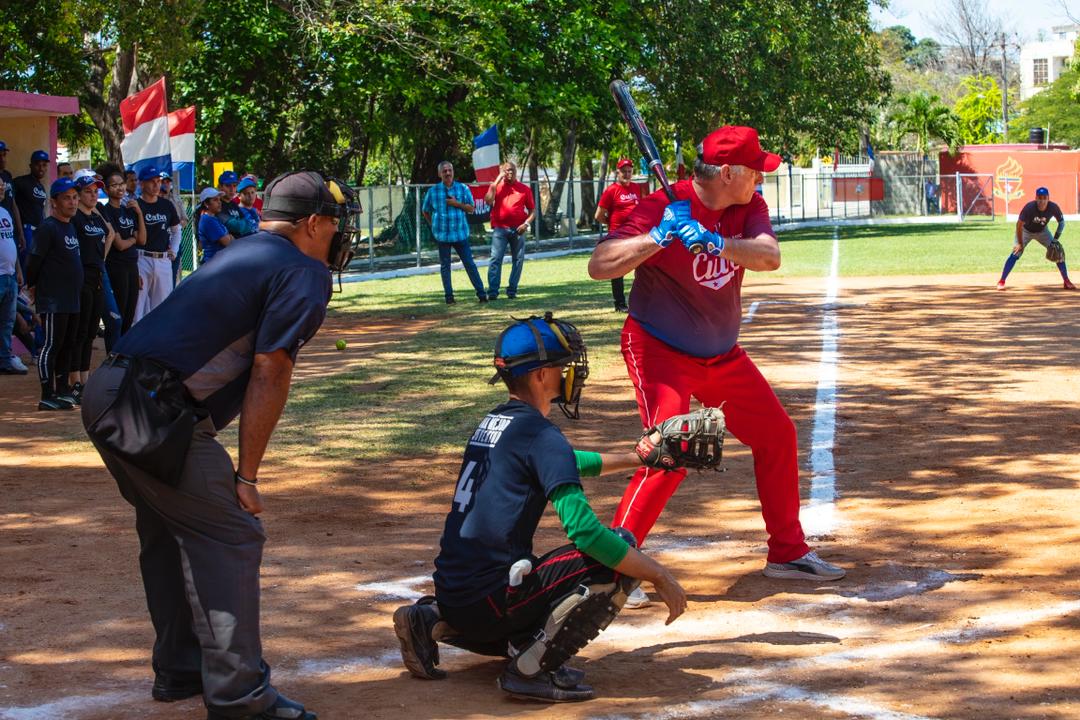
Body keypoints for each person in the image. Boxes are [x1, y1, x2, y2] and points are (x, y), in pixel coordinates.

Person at [80, 170, 361, 720]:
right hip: (151, 406)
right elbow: (270, 367)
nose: (338, 236)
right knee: (231, 533)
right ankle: (240, 697)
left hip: (113, 391)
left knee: (168, 530)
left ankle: (181, 668)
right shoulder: (303, 269)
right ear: (311, 225)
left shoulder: (250, 250)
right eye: (334, 224)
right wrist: (248, 476)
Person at [588, 126, 846, 609]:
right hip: (659, 350)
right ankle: (614, 566)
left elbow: (769, 256)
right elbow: (600, 265)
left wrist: (713, 242)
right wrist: (659, 236)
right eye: (755, 171)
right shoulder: (660, 207)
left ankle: (787, 553)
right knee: (672, 449)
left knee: (777, 435)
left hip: (722, 356)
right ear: (727, 172)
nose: (761, 180)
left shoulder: (747, 207)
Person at [392, 313, 686, 702]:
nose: (570, 375)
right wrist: (659, 574)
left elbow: (563, 460)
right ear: (540, 376)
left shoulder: (496, 422)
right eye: (562, 367)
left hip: (454, 595)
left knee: (521, 585)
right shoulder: (542, 436)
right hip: (493, 604)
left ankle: (430, 619)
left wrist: (637, 458)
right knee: (619, 548)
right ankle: (528, 670)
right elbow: (584, 532)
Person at [26, 177, 82, 410]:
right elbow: (34, 262)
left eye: (75, 198)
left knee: (67, 345)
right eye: (66, 198)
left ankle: (62, 391)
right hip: (53, 299)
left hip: (71, 298)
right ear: (54, 202)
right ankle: (47, 394)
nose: (72, 202)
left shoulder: (70, 225)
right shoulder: (47, 228)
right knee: (51, 345)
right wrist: (32, 287)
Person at [68, 173, 115, 404]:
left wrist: (100, 261)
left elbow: (110, 234)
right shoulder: (74, 219)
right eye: (88, 191)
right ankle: (73, 381)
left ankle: (85, 380)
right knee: (78, 332)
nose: (94, 195)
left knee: (89, 332)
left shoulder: (96, 218)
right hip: (81, 278)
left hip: (96, 276)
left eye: (96, 191)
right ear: (78, 194)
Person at [422, 161, 486, 304]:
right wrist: (433, 226)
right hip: (443, 236)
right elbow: (425, 210)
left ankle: (482, 295)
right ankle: (449, 298)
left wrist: (457, 204)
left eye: (450, 170)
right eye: (444, 171)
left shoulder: (463, 189)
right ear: (439, 174)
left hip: (460, 234)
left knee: (469, 264)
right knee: (445, 267)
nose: (448, 173)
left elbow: (471, 208)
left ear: (453, 172)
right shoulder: (433, 191)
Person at [997, 186, 1075, 291]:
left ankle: (1066, 281)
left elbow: (1061, 223)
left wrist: (1055, 240)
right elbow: (1019, 225)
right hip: (1025, 231)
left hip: (1042, 231)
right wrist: (1020, 243)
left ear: (1048, 198)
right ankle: (1002, 281)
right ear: (1036, 198)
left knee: (1057, 251)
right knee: (1016, 252)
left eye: (1044, 198)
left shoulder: (1053, 207)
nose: (1042, 201)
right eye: (1039, 198)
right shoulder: (1029, 208)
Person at [99, 169, 146, 335]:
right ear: (106, 189)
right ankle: (115, 353)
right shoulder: (106, 211)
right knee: (120, 311)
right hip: (117, 267)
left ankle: (123, 353)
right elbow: (119, 244)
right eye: (114, 185)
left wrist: (139, 213)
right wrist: (132, 239)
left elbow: (142, 240)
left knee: (130, 313)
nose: (119, 188)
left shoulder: (128, 210)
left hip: (132, 265)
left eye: (122, 184)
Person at [595, 158, 644, 313]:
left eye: (629, 171)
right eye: (624, 171)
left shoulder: (637, 188)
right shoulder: (611, 190)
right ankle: (620, 303)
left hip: (635, 234)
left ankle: (641, 301)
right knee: (618, 270)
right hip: (618, 236)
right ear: (617, 172)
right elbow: (598, 215)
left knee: (642, 267)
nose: (627, 174)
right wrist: (612, 224)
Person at [134, 165, 181, 322]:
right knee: (137, 307)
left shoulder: (166, 205)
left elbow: (177, 230)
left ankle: (159, 345)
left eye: (158, 181)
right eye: (151, 181)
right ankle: (136, 345)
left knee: (162, 308)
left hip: (162, 259)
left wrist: (173, 250)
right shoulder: (135, 205)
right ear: (141, 184)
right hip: (141, 257)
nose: (156, 185)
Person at [483, 161, 535, 300]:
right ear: (502, 172)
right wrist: (497, 181)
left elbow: (532, 211)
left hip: (518, 230)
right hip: (500, 229)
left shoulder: (524, 189)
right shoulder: (497, 187)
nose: (509, 172)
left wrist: (526, 224)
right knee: (495, 259)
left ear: (516, 171)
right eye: (506, 170)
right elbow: (488, 201)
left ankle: (512, 290)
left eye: (512, 170)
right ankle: (493, 292)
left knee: (518, 260)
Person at [0, 174, 29, 374]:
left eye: (2, 185)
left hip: (9, 275)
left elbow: (9, 242)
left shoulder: (4, 211)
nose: (2, 188)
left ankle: (4, 358)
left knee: (7, 322)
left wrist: (17, 270)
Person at [12, 149, 50, 273]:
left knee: (36, 266)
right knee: (25, 265)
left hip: (38, 231)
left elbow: (41, 210)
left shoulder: (41, 187)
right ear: (31, 165)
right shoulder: (20, 182)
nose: (41, 168)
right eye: (37, 164)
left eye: (44, 165)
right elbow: (10, 202)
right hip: (26, 230)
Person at [195, 187, 234, 263]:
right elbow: (226, 242)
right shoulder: (208, 220)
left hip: (218, 263)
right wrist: (230, 237)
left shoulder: (213, 218)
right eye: (215, 200)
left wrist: (229, 237)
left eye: (219, 199)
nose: (219, 202)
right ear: (206, 204)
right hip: (213, 264)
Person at [217, 170, 257, 239]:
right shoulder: (218, 204)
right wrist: (248, 225)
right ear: (220, 187)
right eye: (228, 186)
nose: (232, 189)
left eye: (234, 186)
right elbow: (237, 227)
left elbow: (246, 224)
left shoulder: (234, 204)